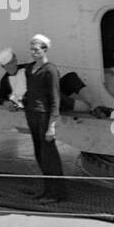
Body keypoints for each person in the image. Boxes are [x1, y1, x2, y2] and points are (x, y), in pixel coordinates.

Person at [0, 48, 111, 118]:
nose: (12, 65)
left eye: (13, 61)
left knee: (71, 77)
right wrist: (7, 103)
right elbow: (0, 97)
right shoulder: (5, 81)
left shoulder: (26, 68)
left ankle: (95, 106)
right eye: (8, 64)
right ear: (3, 66)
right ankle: (94, 109)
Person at [20, 35, 67, 204]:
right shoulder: (29, 69)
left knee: (49, 156)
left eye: (37, 49)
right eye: (31, 49)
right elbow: (29, 91)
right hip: (31, 113)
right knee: (39, 154)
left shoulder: (50, 70)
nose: (33, 53)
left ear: (45, 50)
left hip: (43, 115)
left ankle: (57, 192)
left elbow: (55, 99)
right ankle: (47, 189)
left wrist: (52, 126)